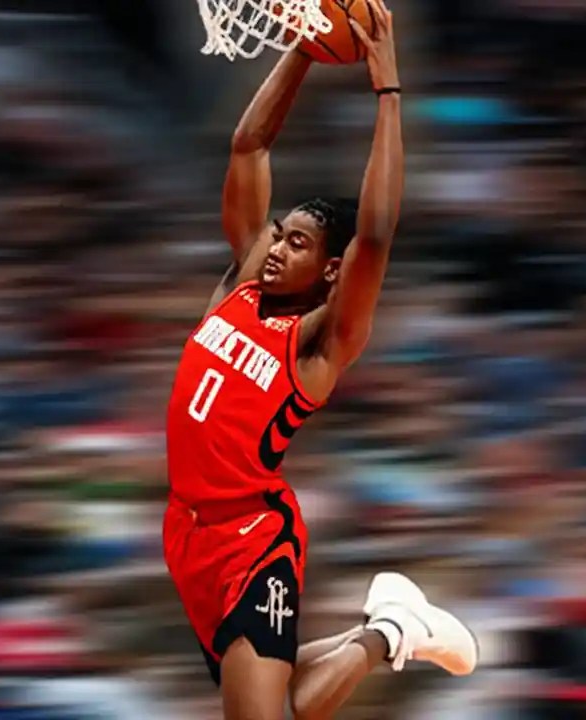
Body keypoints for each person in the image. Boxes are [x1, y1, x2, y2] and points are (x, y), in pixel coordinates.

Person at [163, 3, 478, 719]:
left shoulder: (318, 342)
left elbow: (375, 230)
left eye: (298, 244)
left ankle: (387, 635)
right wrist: (302, 50)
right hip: (186, 533)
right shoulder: (238, 288)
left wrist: (387, 92)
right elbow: (249, 147)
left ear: (332, 272)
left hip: (252, 540)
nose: (276, 247)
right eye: (279, 233)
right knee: (272, 700)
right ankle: (394, 623)